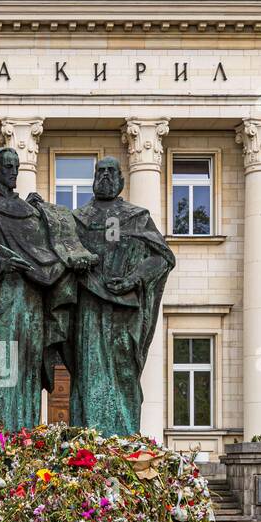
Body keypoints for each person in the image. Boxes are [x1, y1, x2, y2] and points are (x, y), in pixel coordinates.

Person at [0, 146, 96, 432]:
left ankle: (24, 441)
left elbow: (51, 251)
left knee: (28, 373)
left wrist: (45, 215)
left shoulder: (30, 214)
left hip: (31, 303)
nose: (13, 172)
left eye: (16, 167)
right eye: (7, 167)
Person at [63, 156, 175, 435]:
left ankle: (124, 438)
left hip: (126, 309)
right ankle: (88, 440)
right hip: (89, 307)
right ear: (92, 180)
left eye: (111, 172)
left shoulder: (137, 217)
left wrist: (132, 279)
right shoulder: (78, 219)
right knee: (88, 372)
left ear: (122, 180)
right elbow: (62, 255)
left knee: (125, 372)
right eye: (100, 172)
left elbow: (162, 257)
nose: (104, 177)